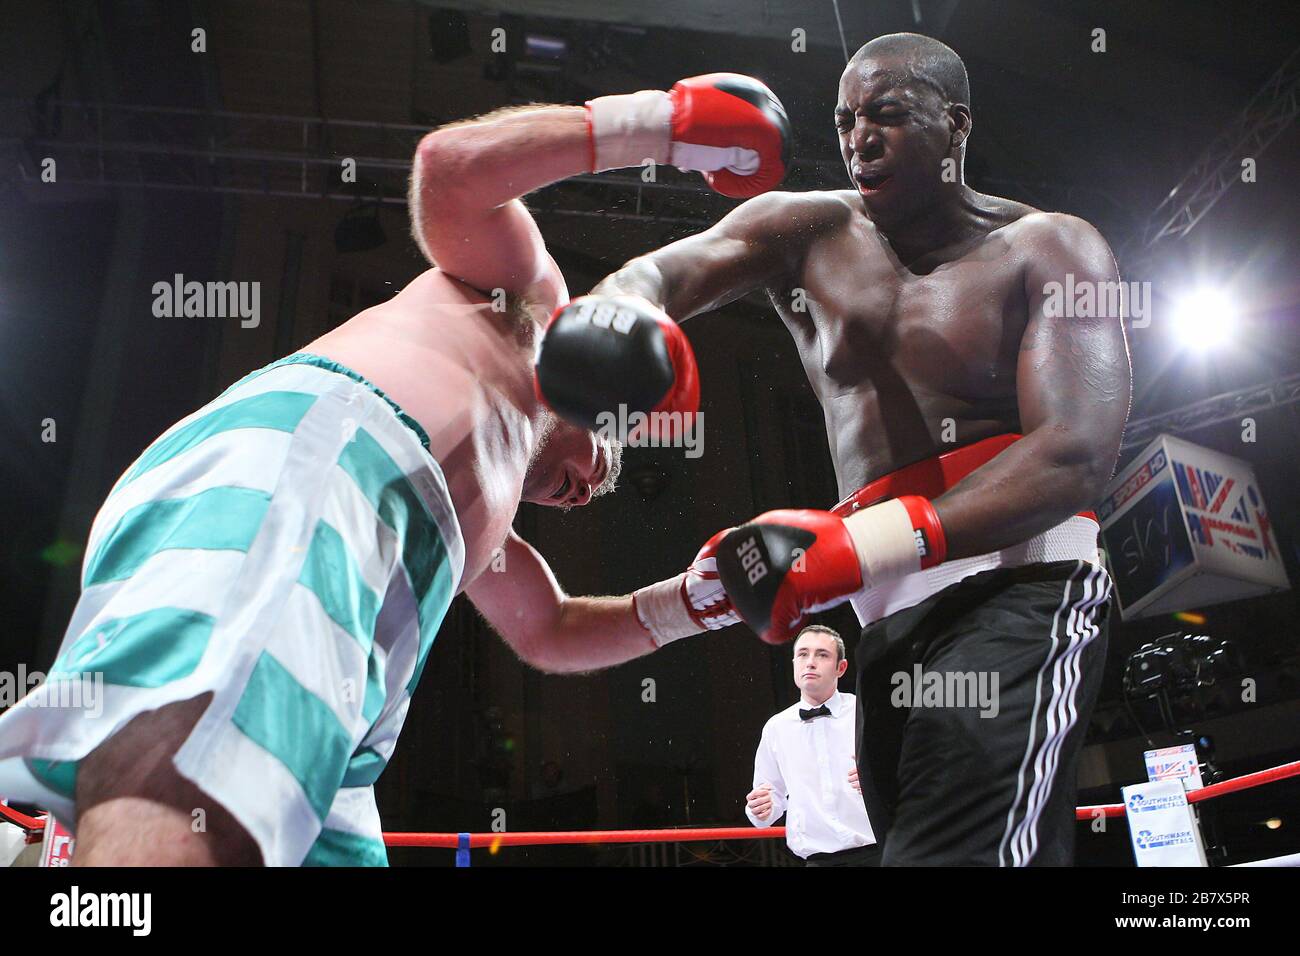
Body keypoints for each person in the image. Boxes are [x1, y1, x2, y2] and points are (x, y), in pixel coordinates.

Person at [0, 73, 790, 866]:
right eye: (603, 462)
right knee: (189, 776)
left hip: (366, 612)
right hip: (317, 467)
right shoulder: (532, 305)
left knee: (257, 813)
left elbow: (549, 632)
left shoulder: (483, 529)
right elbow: (449, 171)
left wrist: (696, 603)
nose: (590, 491)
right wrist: (662, 125)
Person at [568, 33, 1130, 865]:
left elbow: (1076, 452)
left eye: (889, 115)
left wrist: (859, 544)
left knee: (953, 847)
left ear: (957, 124)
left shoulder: (1050, 247)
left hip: (1025, 586)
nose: (859, 138)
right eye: (845, 120)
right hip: (885, 620)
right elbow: (656, 274)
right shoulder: (805, 232)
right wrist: (615, 327)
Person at [745, 625, 878, 866]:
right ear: (794, 663)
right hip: (816, 860)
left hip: (877, 854)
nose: (810, 662)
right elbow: (768, 800)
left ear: (841, 667)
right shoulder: (776, 728)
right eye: (803, 654)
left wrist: (879, 778)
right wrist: (758, 810)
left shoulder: (866, 713)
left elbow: (907, 776)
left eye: (822, 655)